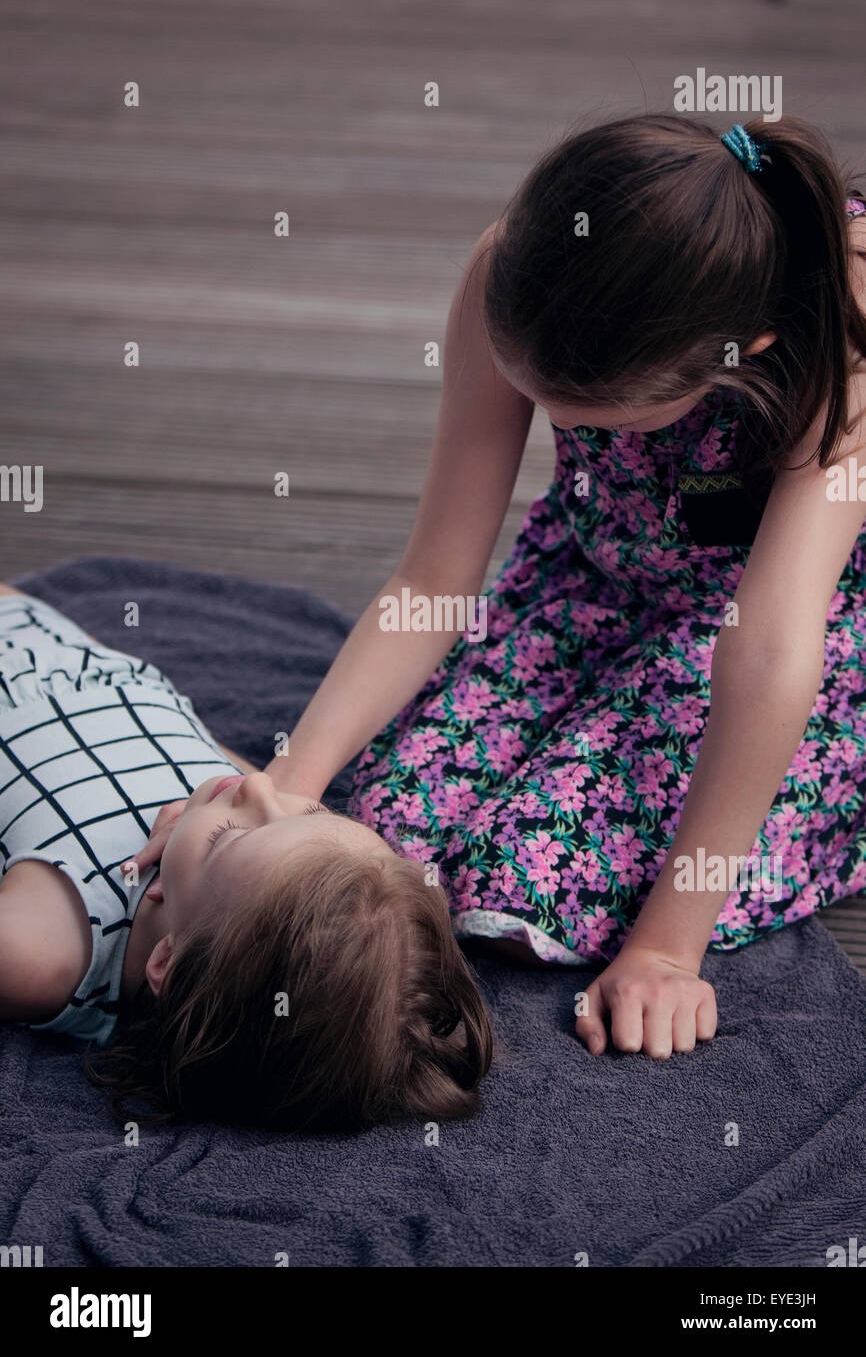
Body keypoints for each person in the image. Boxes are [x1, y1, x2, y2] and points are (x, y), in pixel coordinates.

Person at [261, 114, 866, 1061]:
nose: (546, 419)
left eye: (590, 416)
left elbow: (772, 644)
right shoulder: (520, 276)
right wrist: (289, 780)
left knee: (539, 878)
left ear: (736, 355)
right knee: (392, 823)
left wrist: (669, 947)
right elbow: (435, 573)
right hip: (596, 567)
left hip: (795, 621)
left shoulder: (839, 344)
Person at [0, 587, 493, 1130]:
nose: (260, 784)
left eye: (230, 838)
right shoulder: (228, 825)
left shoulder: (47, 948)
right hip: (68, 647)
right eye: (311, 811)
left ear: (167, 960)